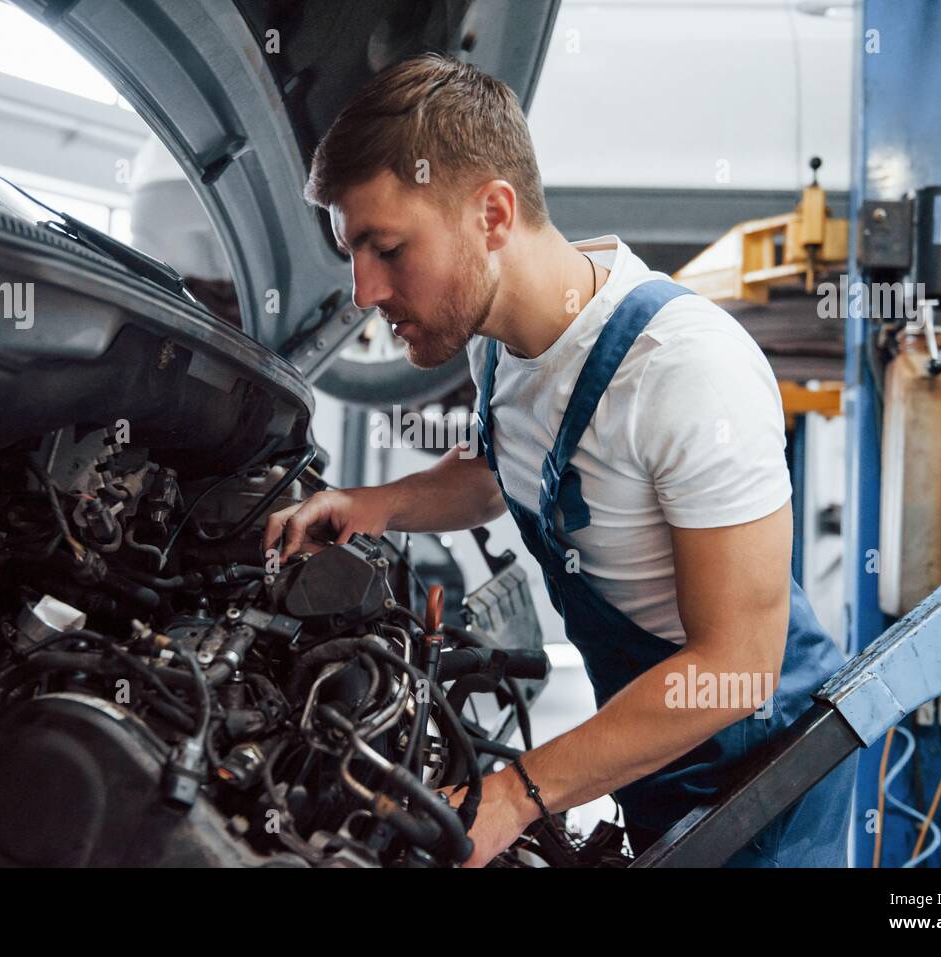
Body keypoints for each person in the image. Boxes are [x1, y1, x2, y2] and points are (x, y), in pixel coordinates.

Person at [262, 53, 856, 867]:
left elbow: (735, 669)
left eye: (387, 248)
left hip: (761, 771)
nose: (363, 291)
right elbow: (509, 470)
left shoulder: (685, 370)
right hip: (651, 744)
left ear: (493, 215)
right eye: (351, 255)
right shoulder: (498, 349)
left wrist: (516, 792)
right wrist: (377, 505)